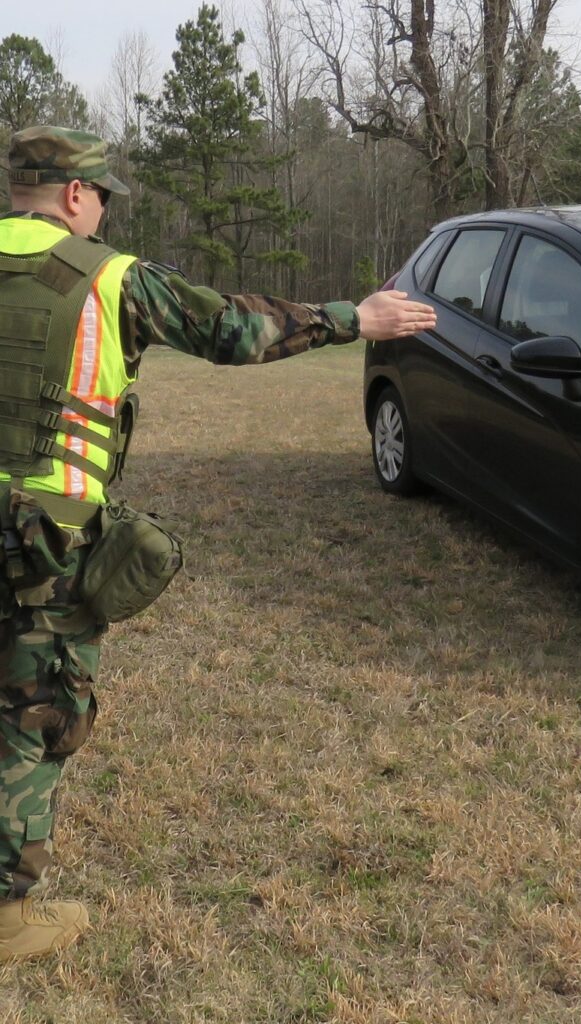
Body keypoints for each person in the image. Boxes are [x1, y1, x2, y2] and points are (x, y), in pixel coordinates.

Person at [0, 125, 436, 961]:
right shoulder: (113, 278)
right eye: (102, 198)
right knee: (33, 712)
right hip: (44, 544)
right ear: (76, 194)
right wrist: (354, 318)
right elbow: (233, 329)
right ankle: (7, 916)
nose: (102, 214)